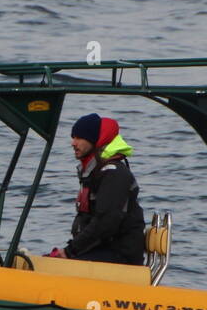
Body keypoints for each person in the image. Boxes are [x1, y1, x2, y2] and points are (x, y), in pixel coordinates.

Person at [52, 113, 145, 265]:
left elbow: (105, 223)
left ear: (94, 141)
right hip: (99, 251)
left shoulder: (114, 173)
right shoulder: (95, 173)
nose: (73, 143)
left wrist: (70, 251)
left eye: (79, 137)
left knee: (55, 266)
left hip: (120, 258)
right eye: (73, 137)